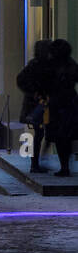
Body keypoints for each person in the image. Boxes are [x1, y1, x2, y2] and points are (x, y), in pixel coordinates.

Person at [17, 41, 52, 172]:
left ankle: (37, 162)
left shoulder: (37, 65)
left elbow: (21, 80)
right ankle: (36, 162)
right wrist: (35, 93)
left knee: (41, 134)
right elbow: (21, 80)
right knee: (40, 134)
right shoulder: (38, 65)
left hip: (40, 103)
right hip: (39, 105)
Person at [45, 40, 78, 176]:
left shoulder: (58, 66)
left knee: (63, 137)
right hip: (63, 103)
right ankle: (64, 165)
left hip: (62, 103)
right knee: (63, 137)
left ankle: (65, 166)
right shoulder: (70, 65)